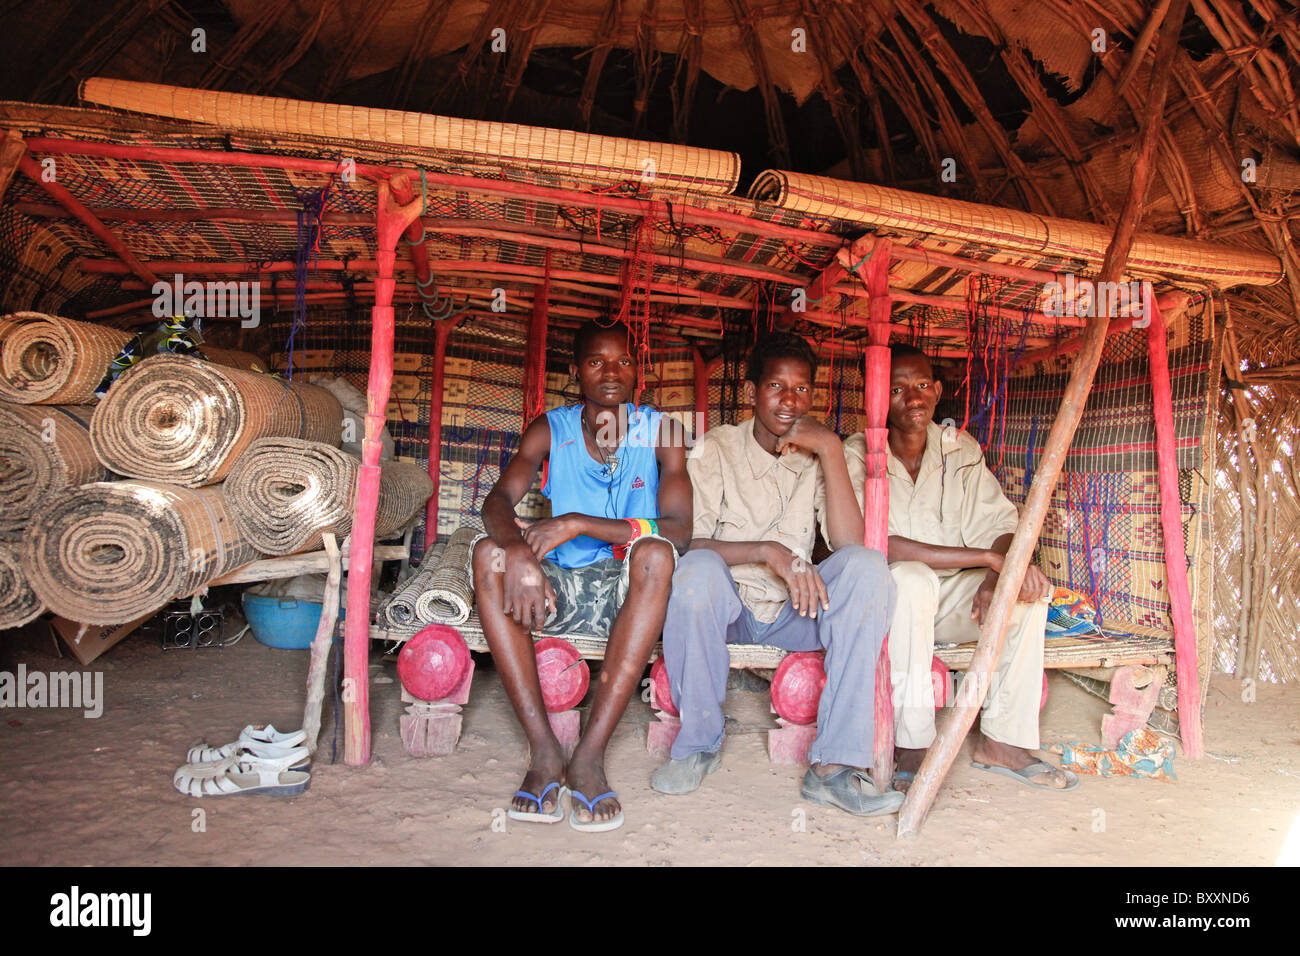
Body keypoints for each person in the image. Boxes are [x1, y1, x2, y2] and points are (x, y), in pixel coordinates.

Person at [651, 331, 902, 816]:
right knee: (697, 571)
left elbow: (850, 545)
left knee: (869, 570)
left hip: (796, 612)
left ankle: (834, 768)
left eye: (802, 389)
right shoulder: (716, 450)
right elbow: (684, 543)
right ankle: (698, 741)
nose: (790, 401)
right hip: (732, 610)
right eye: (775, 387)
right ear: (750, 392)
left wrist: (830, 449)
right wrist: (771, 552)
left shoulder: (817, 453)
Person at [471, 320, 692, 831]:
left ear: (638, 370)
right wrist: (516, 552)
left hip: (629, 589)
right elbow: (497, 501)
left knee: (657, 554)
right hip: (560, 586)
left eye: (622, 361)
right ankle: (545, 751)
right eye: (596, 361)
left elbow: (679, 532)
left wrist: (577, 522)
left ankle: (589, 755)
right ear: (575, 370)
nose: (611, 372)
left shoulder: (664, 431)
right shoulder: (551, 428)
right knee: (488, 556)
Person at [842, 343, 1078, 792]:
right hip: (888, 602)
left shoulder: (959, 449)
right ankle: (911, 743)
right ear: (873, 399)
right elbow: (880, 545)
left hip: (954, 601)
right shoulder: (856, 455)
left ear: (938, 389)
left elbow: (1003, 528)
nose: (913, 398)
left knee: (1028, 595)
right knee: (911, 579)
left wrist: (997, 577)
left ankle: (1003, 742)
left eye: (922, 385)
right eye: (896, 389)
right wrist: (985, 560)